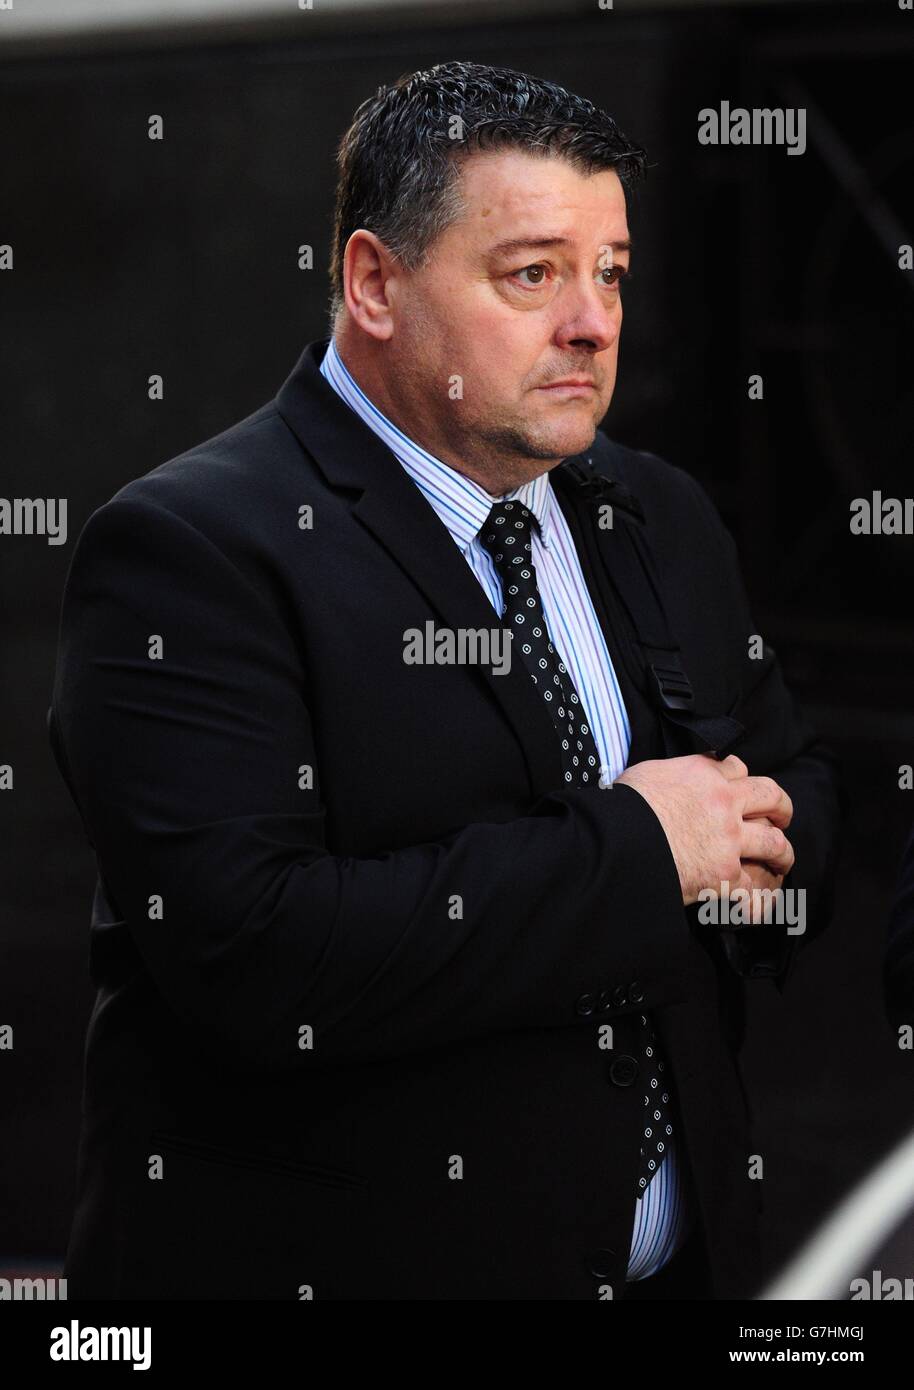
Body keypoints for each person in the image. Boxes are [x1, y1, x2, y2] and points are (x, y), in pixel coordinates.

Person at [48, 60, 842, 1301]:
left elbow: (792, 785)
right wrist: (648, 852)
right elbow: (259, 957)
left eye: (611, 274)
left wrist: (759, 862)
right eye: (531, 274)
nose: (591, 321)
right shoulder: (193, 551)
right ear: (374, 281)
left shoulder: (654, 511)